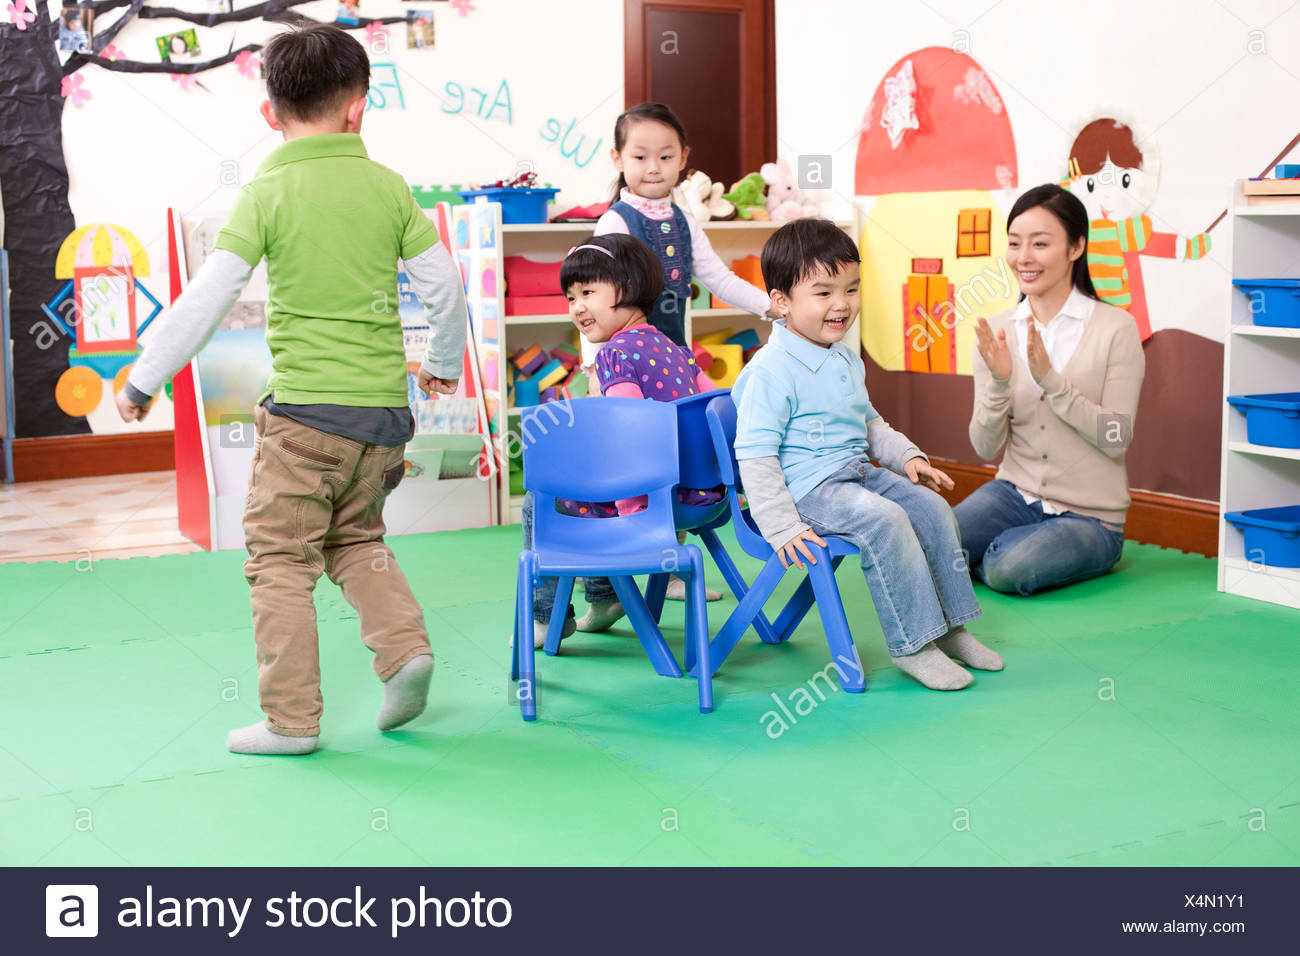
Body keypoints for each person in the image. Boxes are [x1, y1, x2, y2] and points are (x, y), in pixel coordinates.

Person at [116, 23, 469, 755]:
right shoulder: (388, 188)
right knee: (355, 536)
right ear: (358, 108)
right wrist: (442, 363)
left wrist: (146, 377)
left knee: (279, 559)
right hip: (383, 422)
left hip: (306, 418)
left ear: (269, 114)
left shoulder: (267, 190)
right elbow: (447, 287)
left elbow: (209, 296)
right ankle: (404, 651)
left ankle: (290, 721)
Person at [733, 219, 1002, 691]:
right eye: (823, 292)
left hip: (855, 473)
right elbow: (755, 455)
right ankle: (915, 644)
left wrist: (908, 457)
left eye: (851, 289)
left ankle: (953, 628)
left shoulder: (843, 357)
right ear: (780, 301)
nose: (842, 304)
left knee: (932, 507)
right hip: (808, 491)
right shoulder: (770, 370)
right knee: (886, 520)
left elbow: (870, 424)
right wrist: (781, 526)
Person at [589, 102, 774, 602]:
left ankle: (667, 565)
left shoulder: (683, 219)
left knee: (675, 460)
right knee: (629, 464)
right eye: (641, 156)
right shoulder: (615, 222)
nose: (654, 168)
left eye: (666, 157)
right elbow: (596, 300)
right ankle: (611, 582)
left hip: (670, 364)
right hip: (623, 367)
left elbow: (717, 277)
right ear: (618, 158)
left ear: (684, 159)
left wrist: (769, 306)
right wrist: (594, 369)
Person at [518, 234, 721, 647]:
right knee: (586, 491)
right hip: (698, 497)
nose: (576, 307)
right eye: (570, 296)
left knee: (541, 502)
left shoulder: (613, 356)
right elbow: (716, 405)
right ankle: (605, 597)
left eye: (588, 292)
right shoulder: (678, 350)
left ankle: (545, 618)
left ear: (626, 289)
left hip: (644, 503)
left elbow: (624, 438)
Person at [954, 184, 1145, 596]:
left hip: (1091, 518)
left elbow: (1117, 439)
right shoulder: (998, 332)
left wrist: (1053, 383)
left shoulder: (1116, 328)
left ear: (1076, 247)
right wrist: (1001, 383)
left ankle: (988, 559)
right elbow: (985, 449)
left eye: (1040, 243)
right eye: (1015, 243)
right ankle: (983, 554)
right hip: (1013, 495)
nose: (1024, 257)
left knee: (1009, 568)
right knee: (936, 541)